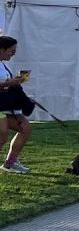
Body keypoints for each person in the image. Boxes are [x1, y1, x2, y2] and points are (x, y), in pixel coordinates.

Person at [0, 36, 34, 174]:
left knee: (25, 128)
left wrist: (16, 81)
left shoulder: (2, 64)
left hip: (7, 105)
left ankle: (10, 163)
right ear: (2, 49)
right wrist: (10, 83)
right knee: (2, 135)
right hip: (1, 106)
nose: (13, 54)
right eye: (11, 51)